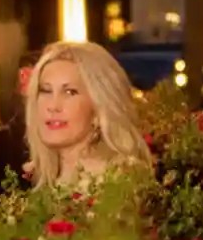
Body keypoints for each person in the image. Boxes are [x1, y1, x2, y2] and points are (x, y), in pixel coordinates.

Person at [24, 41, 152, 190]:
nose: (53, 106)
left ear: (98, 108)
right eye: (46, 91)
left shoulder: (119, 179)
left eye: (70, 92)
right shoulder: (41, 178)